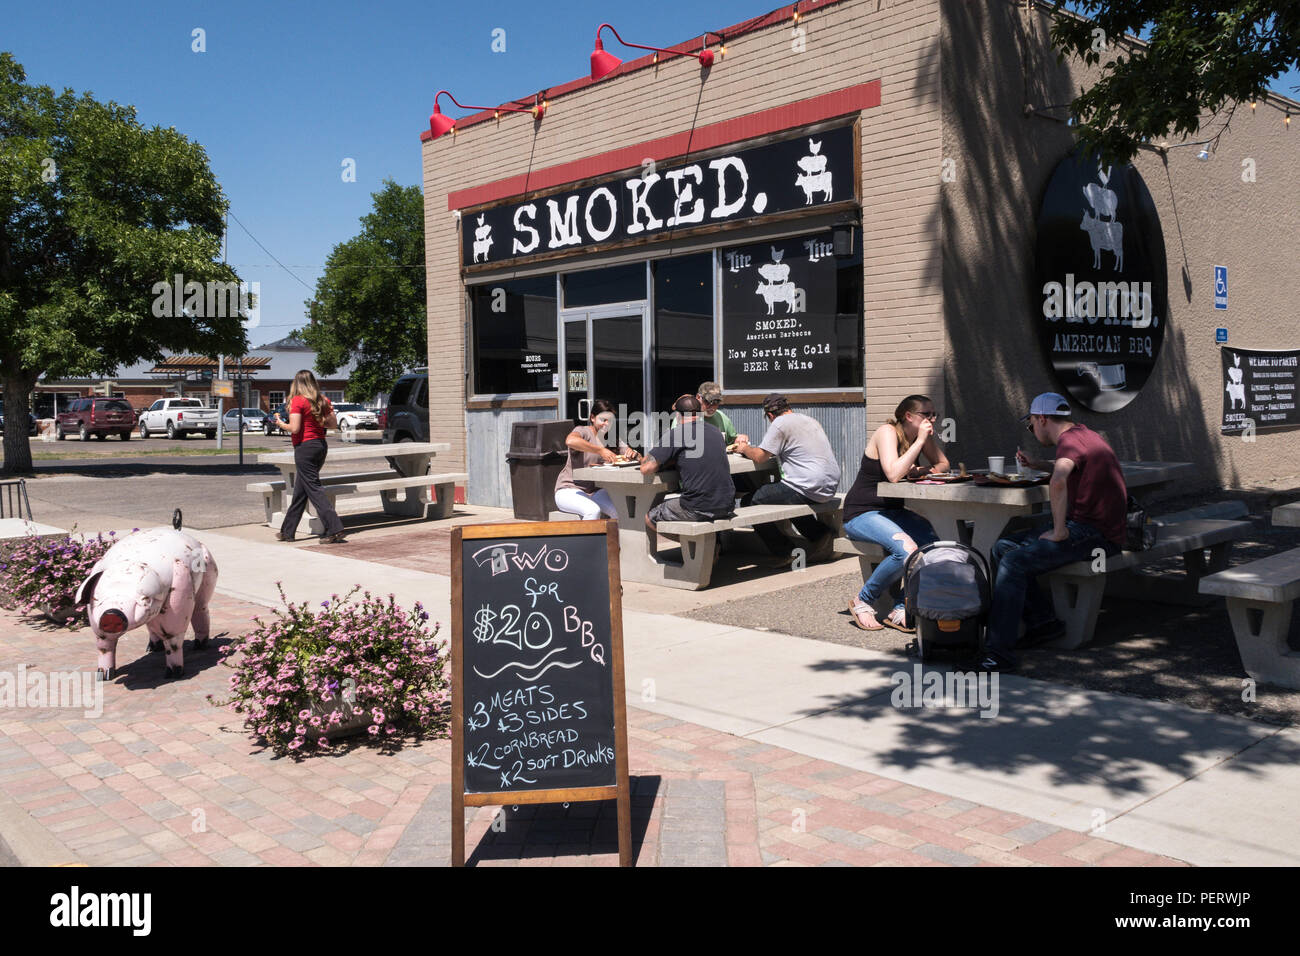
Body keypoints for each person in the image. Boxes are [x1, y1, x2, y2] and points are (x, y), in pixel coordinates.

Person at [974, 392, 1127, 672]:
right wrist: (1039, 464)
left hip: (1097, 536)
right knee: (1004, 547)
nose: (1032, 430)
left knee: (1014, 561)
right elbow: (1068, 466)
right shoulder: (1082, 434)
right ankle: (1044, 624)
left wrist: (1058, 532)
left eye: (1031, 423)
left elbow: (1058, 482)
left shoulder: (1068, 441)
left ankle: (999, 654)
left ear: (1042, 418)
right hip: (1101, 527)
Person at [843, 395, 948, 632]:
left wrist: (918, 468)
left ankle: (901, 606)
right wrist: (920, 443)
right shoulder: (887, 432)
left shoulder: (922, 437)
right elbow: (893, 474)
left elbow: (944, 465)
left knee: (936, 548)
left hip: (893, 512)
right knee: (907, 551)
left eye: (934, 415)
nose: (932, 420)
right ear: (909, 416)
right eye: (927, 415)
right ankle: (863, 600)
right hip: (862, 513)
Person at [733, 393, 841, 566]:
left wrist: (744, 448)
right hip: (829, 484)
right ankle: (820, 535)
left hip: (807, 485)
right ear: (788, 408)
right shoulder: (808, 419)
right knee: (785, 499)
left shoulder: (779, 424)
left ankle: (785, 552)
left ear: (769, 415)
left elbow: (760, 457)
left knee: (749, 502)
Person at [640, 395, 737, 559]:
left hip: (698, 506)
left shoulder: (676, 433)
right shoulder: (715, 432)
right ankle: (709, 547)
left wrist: (664, 458)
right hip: (728, 503)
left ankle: (701, 550)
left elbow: (646, 467)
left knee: (649, 517)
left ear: (678, 416)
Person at [278, 370, 347, 544]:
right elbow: (332, 424)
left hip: (304, 448)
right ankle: (287, 531)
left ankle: (335, 529)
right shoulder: (323, 400)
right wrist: (317, 420)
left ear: (296, 383)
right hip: (320, 446)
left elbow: (294, 428)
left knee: (314, 488)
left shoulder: (297, 401)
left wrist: (280, 424)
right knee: (301, 490)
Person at [553, 400, 640, 520]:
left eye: (610, 421)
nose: (607, 424)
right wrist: (600, 450)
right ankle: (587, 539)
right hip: (569, 489)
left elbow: (634, 454)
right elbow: (570, 441)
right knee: (593, 511)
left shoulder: (612, 438)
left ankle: (613, 539)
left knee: (621, 511)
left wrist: (634, 454)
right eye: (603, 420)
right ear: (592, 418)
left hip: (595, 491)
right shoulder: (583, 431)